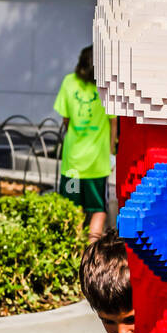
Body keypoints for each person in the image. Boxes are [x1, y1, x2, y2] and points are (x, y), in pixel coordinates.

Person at [54, 46, 117, 240]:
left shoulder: (69, 82)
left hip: (73, 164)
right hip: (97, 165)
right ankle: (90, 255)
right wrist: (112, 151)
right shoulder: (107, 87)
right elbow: (113, 122)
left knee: (73, 208)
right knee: (98, 209)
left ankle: (71, 252)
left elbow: (65, 119)